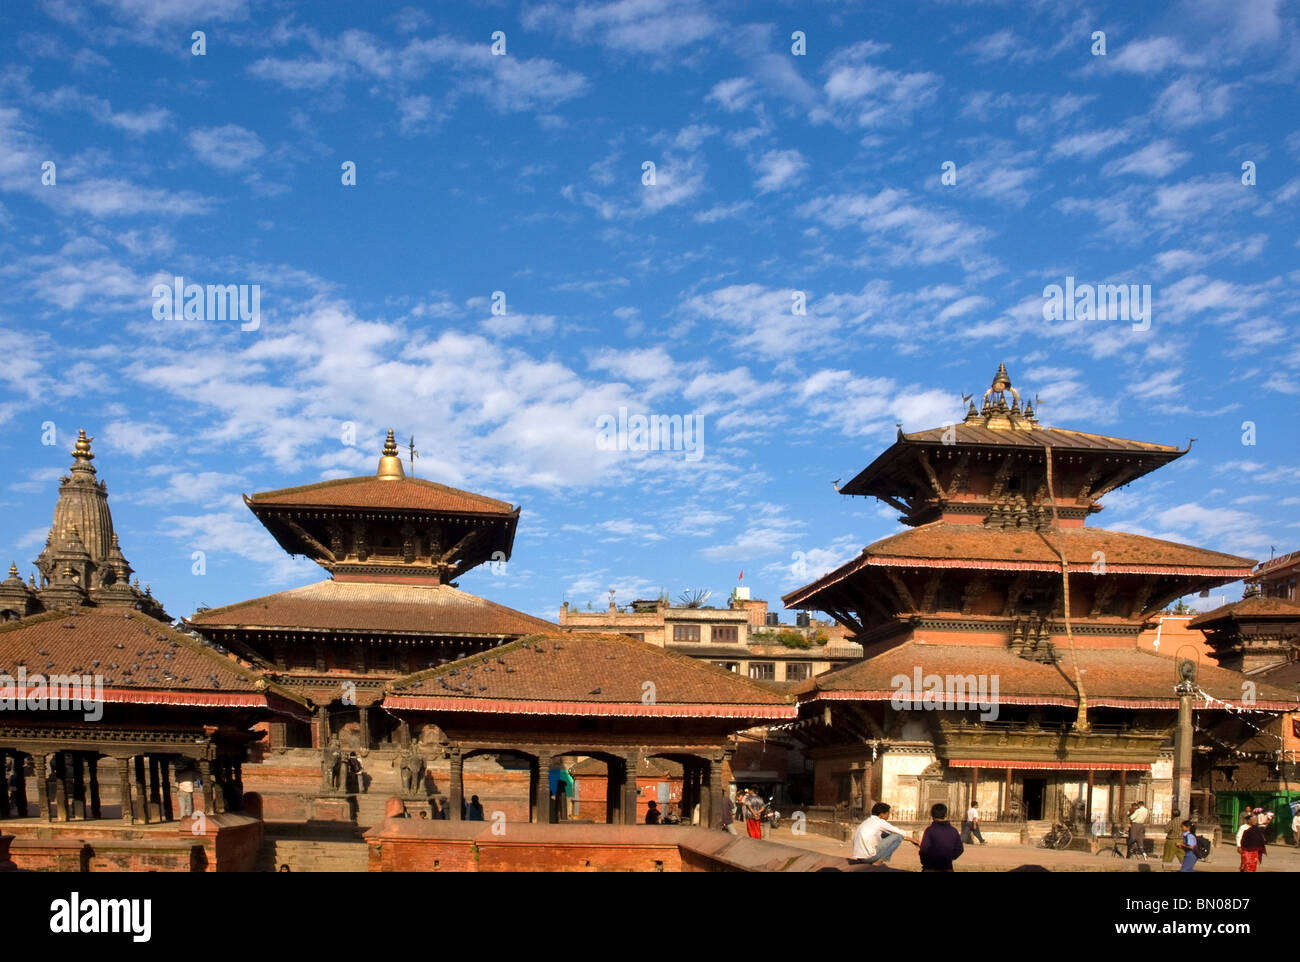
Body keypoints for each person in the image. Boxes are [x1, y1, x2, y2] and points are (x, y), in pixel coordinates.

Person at [851, 802, 920, 865]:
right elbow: (900, 833)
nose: (888, 815)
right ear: (882, 814)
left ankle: (875, 859)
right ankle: (881, 860)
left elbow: (889, 834)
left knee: (886, 834)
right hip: (869, 857)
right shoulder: (880, 822)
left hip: (859, 857)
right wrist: (913, 840)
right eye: (888, 813)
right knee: (898, 836)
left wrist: (910, 839)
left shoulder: (866, 822)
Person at [919, 803, 964, 872]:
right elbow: (960, 849)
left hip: (931, 867)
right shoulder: (953, 830)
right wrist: (948, 857)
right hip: (947, 867)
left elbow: (923, 850)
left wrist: (925, 862)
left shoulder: (930, 830)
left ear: (931, 815)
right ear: (945, 815)